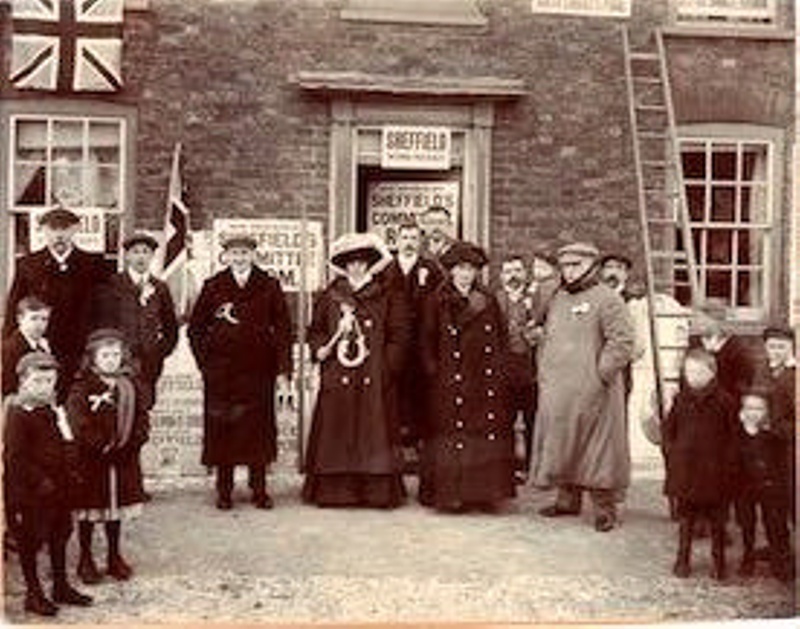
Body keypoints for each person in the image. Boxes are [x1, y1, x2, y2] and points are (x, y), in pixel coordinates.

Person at [530, 241, 634, 532]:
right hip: (559, 389)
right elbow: (551, 334)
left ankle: (604, 508)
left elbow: (622, 341)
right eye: (565, 265)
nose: (571, 271)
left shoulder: (607, 299)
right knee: (564, 441)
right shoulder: (558, 297)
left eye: (577, 265)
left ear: (591, 265)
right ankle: (567, 499)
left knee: (598, 448)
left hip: (595, 390)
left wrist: (601, 373)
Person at [302, 232, 409, 508]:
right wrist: (318, 350)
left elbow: (399, 335)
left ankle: (375, 492)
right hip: (338, 375)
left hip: (374, 377)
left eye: (362, 262)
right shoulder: (331, 295)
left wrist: (387, 368)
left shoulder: (386, 295)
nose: (356, 268)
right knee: (338, 430)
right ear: (344, 266)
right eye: (351, 263)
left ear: (370, 264)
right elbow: (316, 330)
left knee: (373, 431)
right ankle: (337, 492)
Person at [188, 235, 292, 510]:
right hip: (222, 375)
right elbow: (195, 328)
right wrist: (205, 364)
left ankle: (259, 489)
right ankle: (224, 489)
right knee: (224, 430)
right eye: (234, 253)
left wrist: (283, 369)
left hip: (258, 372)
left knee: (257, 431)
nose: (240, 257)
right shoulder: (214, 286)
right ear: (226, 256)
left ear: (253, 255)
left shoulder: (269, 285)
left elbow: (283, 330)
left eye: (245, 252)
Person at [419, 240, 515, 512]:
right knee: (453, 435)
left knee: (482, 434)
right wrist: (434, 372)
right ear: (451, 270)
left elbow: (499, 338)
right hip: (450, 378)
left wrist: (497, 370)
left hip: (482, 379)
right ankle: (452, 495)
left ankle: (484, 494)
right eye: (460, 268)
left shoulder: (487, 299)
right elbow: (426, 341)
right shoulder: (437, 300)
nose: (465, 274)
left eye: (471, 269)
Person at [4, 351, 92, 616]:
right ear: (23, 382)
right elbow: (15, 458)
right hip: (32, 492)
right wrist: (40, 481)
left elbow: (67, 441)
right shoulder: (20, 413)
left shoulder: (53, 409)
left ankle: (61, 585)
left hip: (59, 487)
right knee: (31, 540)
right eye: (38, 381)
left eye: (49, 381)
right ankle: (34, 592)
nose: (44, 387)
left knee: (60, 535)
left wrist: (70, 463)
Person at [3, 206, 111, 402]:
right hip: (41, 349)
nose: (59, 235)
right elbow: (13, 309)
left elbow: (104, 310)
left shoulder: (93, 264)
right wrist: (8, 346)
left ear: (76, 229)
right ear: (43, 230)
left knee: (78, 407)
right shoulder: (28, 265)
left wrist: (98, 346)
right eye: (53, 229)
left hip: (81, 350)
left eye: (65, 228)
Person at [67, 329, 148, 584]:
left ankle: (114, 556)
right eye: (105, 355)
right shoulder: (82, 387)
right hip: (93, 460)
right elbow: (78, 422)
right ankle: (86, 559)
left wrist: (133, 441)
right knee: (91, 509)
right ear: (93, 358)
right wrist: (99, 445)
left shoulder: (129, 385)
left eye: (116, 354)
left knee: (115, 510)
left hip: (123, 457)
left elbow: (141, 418)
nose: (111, 359)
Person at [661, 348, 738, 580]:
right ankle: (682, 559)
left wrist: (728, 463)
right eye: (688, 372)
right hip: (686, 470)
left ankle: (719, 563)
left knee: (717, 521)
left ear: (711, 373)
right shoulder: (681, 399)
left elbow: (733, 435)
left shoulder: (725, 401)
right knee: (686, 519)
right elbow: (668, 429)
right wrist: (673, 452)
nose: (692, 376)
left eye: (698, 371)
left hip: (714, 471)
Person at [381, 220, 444, 469]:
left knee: (421, 396)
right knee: (393, 395)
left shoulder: (432, 270)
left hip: (421, 346)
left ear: (420, 241)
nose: (408, 242)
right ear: (396, 241)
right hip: (394, 346)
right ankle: (395, 447)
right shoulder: (385, 270)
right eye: (404, 237)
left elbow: (439, 307)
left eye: (413, 238)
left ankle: (419, 449)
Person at [96, 233, 179, 411]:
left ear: (151, 256)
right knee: (118, 406)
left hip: (150, 361)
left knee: (144, 406)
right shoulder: (113, 284)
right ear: (127, 256)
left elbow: (171, 326)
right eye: (135, 252)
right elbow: (104, 322)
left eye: (145, 252)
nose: (140, 257)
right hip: (119, 360)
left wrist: (160, 351)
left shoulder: (159, 287)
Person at [733, 388, 793, 582]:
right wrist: (745, 432)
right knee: (747, 522)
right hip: (744, 485)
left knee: (774, 522)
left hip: (769, 484)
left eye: (758, 408)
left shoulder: (773, 434)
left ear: (766, 411)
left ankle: (779, 559)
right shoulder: (737, 433)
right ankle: (748, 556)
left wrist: (761, 433)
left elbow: (780, 457)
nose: (753, 413)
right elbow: (732, 457)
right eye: (748, 408)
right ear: (742, 411)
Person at [495, 254, 536, 481]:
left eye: (517, 271)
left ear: (525, 274)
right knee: (504, 419)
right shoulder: (495, 300)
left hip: (530, 368)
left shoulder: (535, 300)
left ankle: (530, 467)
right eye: (509, 271)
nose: (513, 276)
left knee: (533, 418)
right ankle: (507, 468)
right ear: (501, 277)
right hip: (504, 367)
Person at [761, 325, 796, 528]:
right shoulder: (763, 371)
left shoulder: (795, 375)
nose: (776, 351)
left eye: (781, 347)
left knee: (790, 498)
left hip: (789, 449)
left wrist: (777, 428)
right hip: (766, 447)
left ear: (791, 347)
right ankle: (778, 546)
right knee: (771, 502)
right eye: (772, 346)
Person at [2, 296, 53, 397]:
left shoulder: (43, 346)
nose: (39, 324)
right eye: (34, 318)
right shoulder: (9, 348)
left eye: (44, 319)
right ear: (20, 319)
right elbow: (7, 386)